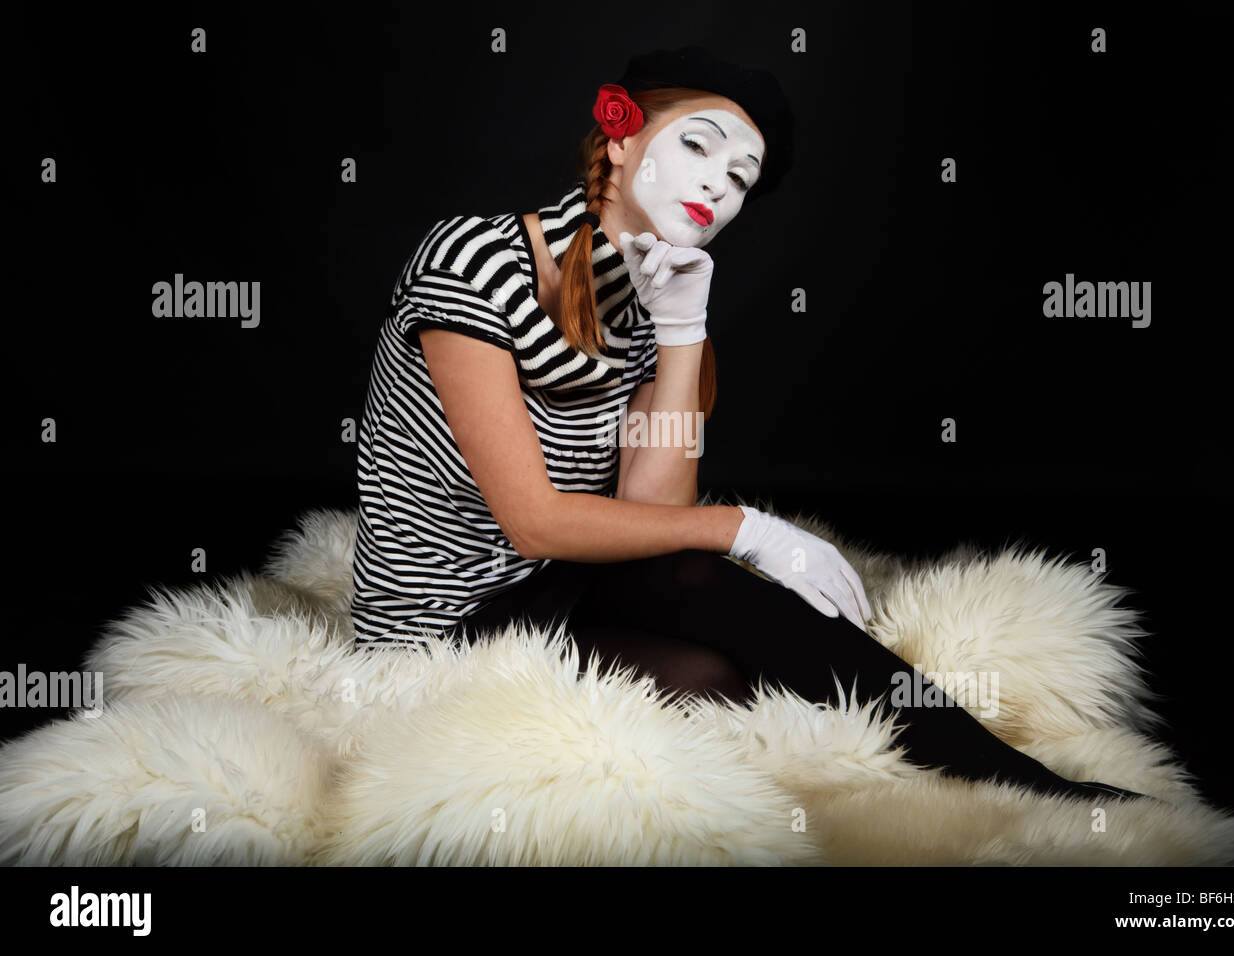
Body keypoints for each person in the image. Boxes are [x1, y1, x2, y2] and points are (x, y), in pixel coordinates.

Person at [350, 45, 1145, 804]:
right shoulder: (473, 260)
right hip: (436, 631)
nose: (718, 188)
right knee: (707, 577)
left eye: (740, 178)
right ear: (621, 138)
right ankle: (1014, 776)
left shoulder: (662, 304)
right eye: (698, 147)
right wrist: (747, 530)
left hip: (556, 594)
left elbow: (653, 524)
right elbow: (534, 523)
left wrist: (683, 330)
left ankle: (981, 768)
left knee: (712, 682)